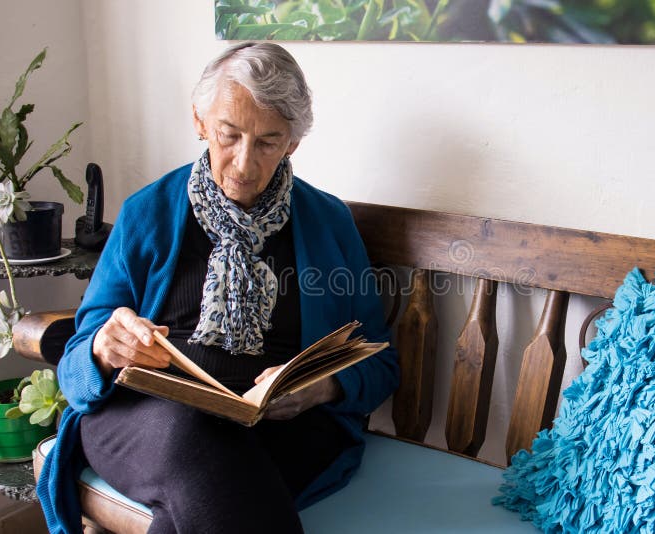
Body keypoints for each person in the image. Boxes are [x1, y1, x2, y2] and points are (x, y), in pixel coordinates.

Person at [37, 42, 399, 534]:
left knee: (202, 497)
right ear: (200, 122)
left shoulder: (329, 223)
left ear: (293, 143)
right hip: (149, 423)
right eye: (228, 136)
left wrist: (321, 389)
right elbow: (77, 365)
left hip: (282, 429)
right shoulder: (148, 213)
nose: (244, 165)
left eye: (268, 143)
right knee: (195, 439)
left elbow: (379, 362)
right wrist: (103, 347)